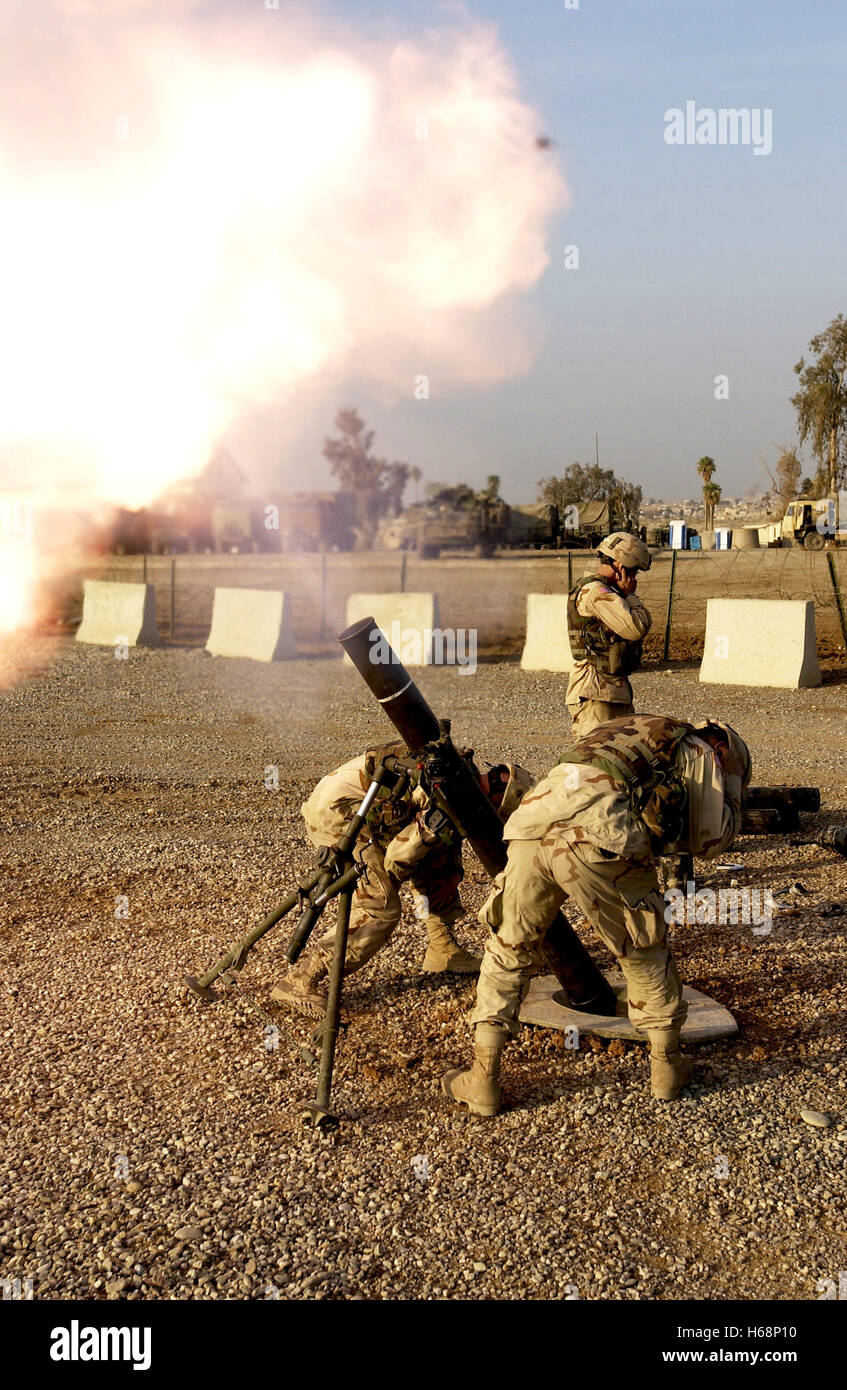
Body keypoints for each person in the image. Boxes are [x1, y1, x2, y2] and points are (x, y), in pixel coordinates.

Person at [442, 714, 752, 1117]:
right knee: (642, 948)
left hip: (530, 827)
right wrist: (728, 788)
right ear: (724, 748)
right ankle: (666, 1069)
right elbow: (709, 841)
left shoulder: (630, 732)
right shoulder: (699, 749)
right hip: (601, 835)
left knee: (508, 949)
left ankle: (483, 1078)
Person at [271, 741, 534, 1017]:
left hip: (362, 805)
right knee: (381, 906)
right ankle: (301, 979)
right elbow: (396, 860)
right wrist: (403, 866)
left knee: (442, 856)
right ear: (497, 801)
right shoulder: (447, 798)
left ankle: (442, 949)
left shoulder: (463, 777)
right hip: (340, 814)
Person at [566, 531, 653, 737]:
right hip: (596, 694)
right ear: (622, 568)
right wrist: (630, 595)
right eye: (634, 572)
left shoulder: (606, 590)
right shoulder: (596, 591)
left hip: (609, 692)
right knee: (592, 764)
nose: (634, 578)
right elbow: (637, 627)